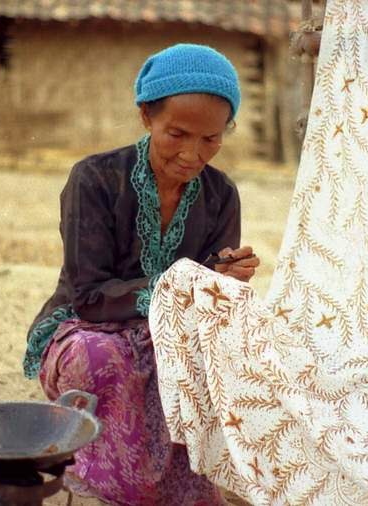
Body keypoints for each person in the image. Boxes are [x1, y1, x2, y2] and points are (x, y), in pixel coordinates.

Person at [22, 43, 260, 505]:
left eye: (211, 139)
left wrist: (228, 280)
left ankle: (192, 485)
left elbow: (208, 293)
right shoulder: (93, 180)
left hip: (172, 337)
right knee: (105, 358)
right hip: (88, 329)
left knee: (224, 361)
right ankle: (111, 483)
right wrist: (177, 287)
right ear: (146, 118)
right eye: (177, 133)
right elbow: (89, 296)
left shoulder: (221, 195)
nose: (193, 154)